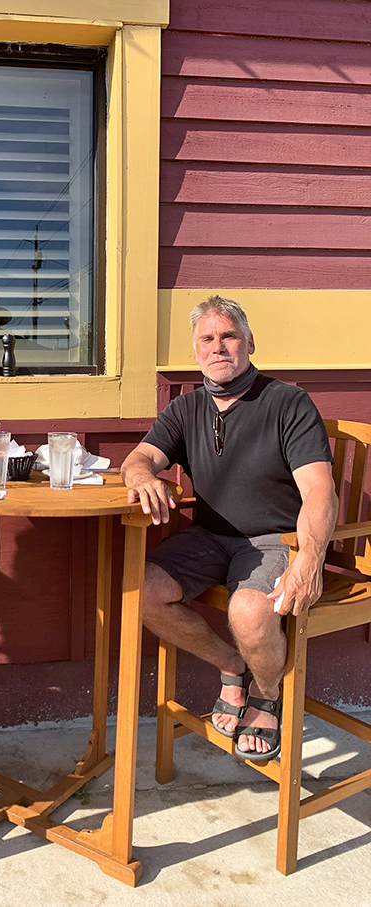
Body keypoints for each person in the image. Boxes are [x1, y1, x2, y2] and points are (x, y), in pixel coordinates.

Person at [121, 296, 338, 761]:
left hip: (274, 538)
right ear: (196, 351)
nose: (218, 347)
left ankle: (265, 693)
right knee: (140, 590)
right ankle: (231, 665)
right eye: (207, 339)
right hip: (209, 538)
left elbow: (320, 490)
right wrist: (141, 476)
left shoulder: (288, 403)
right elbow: (139, 458)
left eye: (228, 336)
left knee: (250, 612)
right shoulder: (186, 408)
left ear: (249, 343)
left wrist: (310, 559)